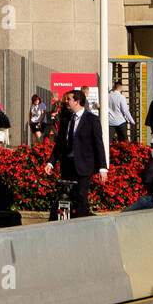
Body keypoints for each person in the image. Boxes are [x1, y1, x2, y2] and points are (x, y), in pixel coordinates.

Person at [45, 89, 108, 217]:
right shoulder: (66, 119)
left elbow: (98, 144)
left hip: (84, 165)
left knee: (81, 195)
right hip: (68, 164)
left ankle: (81, 225)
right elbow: (60, 144)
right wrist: (51, 162)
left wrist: (102, 167)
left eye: (69, 99)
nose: (66, 102)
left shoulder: (91, 120)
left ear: (77, 101)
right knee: (67, 196)